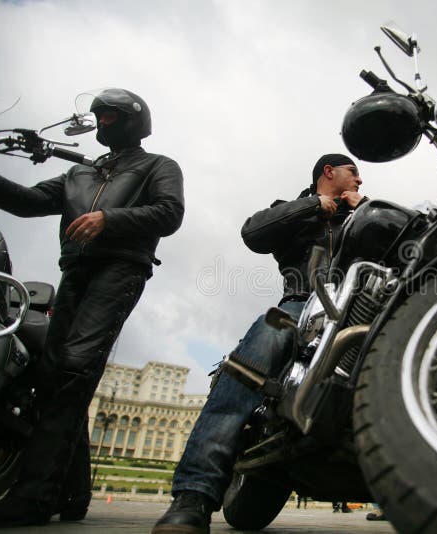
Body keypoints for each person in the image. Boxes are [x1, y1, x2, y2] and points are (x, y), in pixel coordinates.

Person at [0, 88, 185, 525]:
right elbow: (30, 201)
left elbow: (170, 213)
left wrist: (110, 219)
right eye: (97, 116)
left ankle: (35, 497)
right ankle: (73, 494)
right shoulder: (79, 173)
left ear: (134, 120)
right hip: (76, 271)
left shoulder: (158, 165)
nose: (101, 122)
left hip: (120, 268)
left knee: (73, 369)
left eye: (110, 116)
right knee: (55, 373)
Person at [152, 154, 365, 534]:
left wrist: (365, 214)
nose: (360, 180)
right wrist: (316, 205)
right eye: (354, 172)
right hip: (301, 302)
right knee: (267, 337)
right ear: (329, 172)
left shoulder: (363, 215)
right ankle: (193, 496)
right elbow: (253, 233)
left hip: (361, 311)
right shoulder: (292, 209)